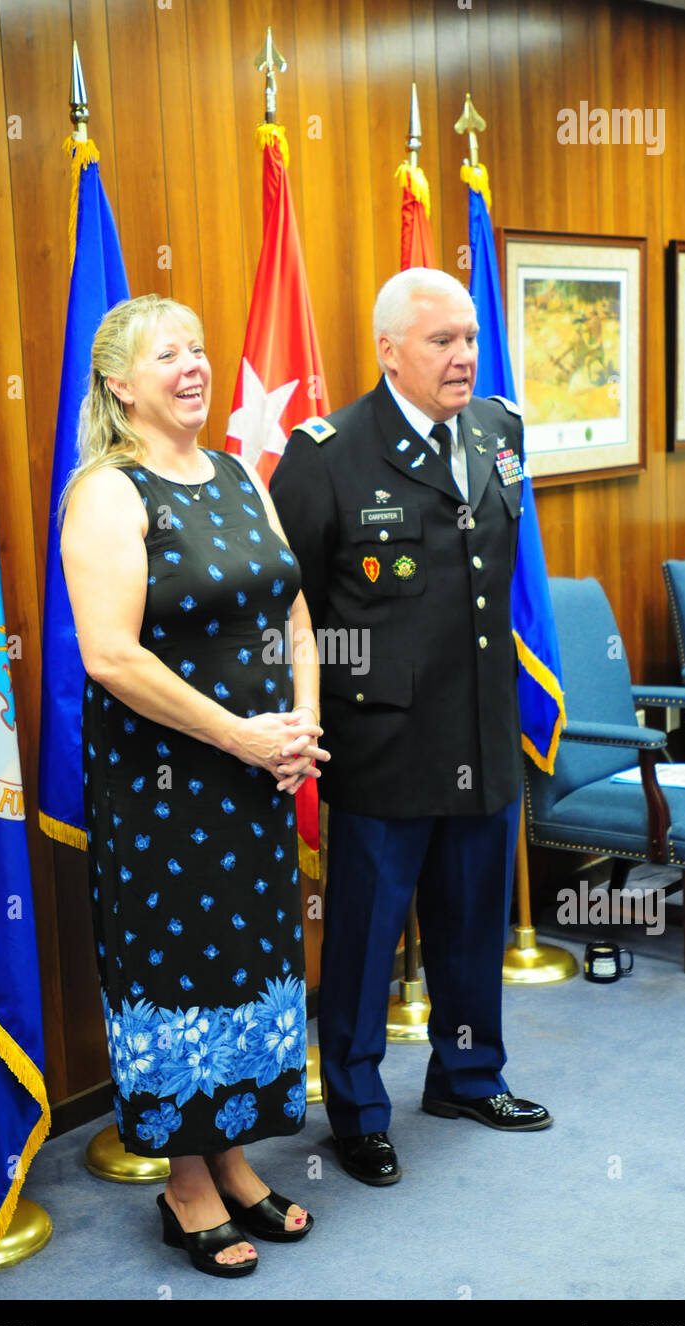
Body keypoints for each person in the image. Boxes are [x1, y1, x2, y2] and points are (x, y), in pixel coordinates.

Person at [60, 294, 328, 1275]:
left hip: (255, 777)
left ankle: (232, 1159)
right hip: (161, 786)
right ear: (118, 383)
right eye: (165, 354)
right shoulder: (108, 493)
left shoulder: (232, 475)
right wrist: (243, 738)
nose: (193, 365)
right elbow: (109, 657)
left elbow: (294, 615)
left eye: (200, 349)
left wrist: (300, 726)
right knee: (179, 970)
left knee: (245, 965)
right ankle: (185, 1188)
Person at [270, 267, 551, 1187]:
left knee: (470, 923)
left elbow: (491, 578)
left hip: (480, 731)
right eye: (441, 341)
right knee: (362, 940)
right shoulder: (329, 453)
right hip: (384, 745)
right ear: (389, 349)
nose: (464, 355)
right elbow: (297, 612)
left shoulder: (499, 430)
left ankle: (468, 1075)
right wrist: (358, 692)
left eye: (468, 337)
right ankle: (355, 1109)